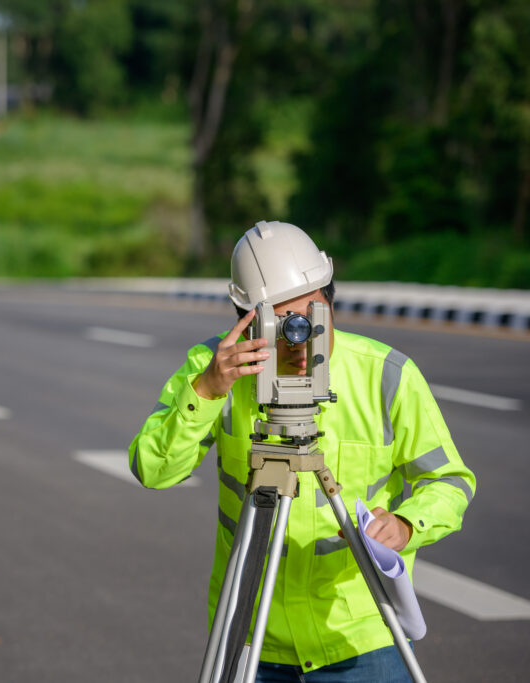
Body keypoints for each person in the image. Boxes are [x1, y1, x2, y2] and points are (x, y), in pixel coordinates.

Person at [129, 221, 475, 682]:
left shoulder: (387, 376)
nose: (297, 336)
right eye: (279, 322)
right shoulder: (212, 370)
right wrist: (209, 390)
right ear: (245, 318)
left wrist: (408, 524)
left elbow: (450, 481)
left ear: (331, 301)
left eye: (308, 317)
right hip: (252, 635)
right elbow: (153, 469)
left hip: (361, 637)